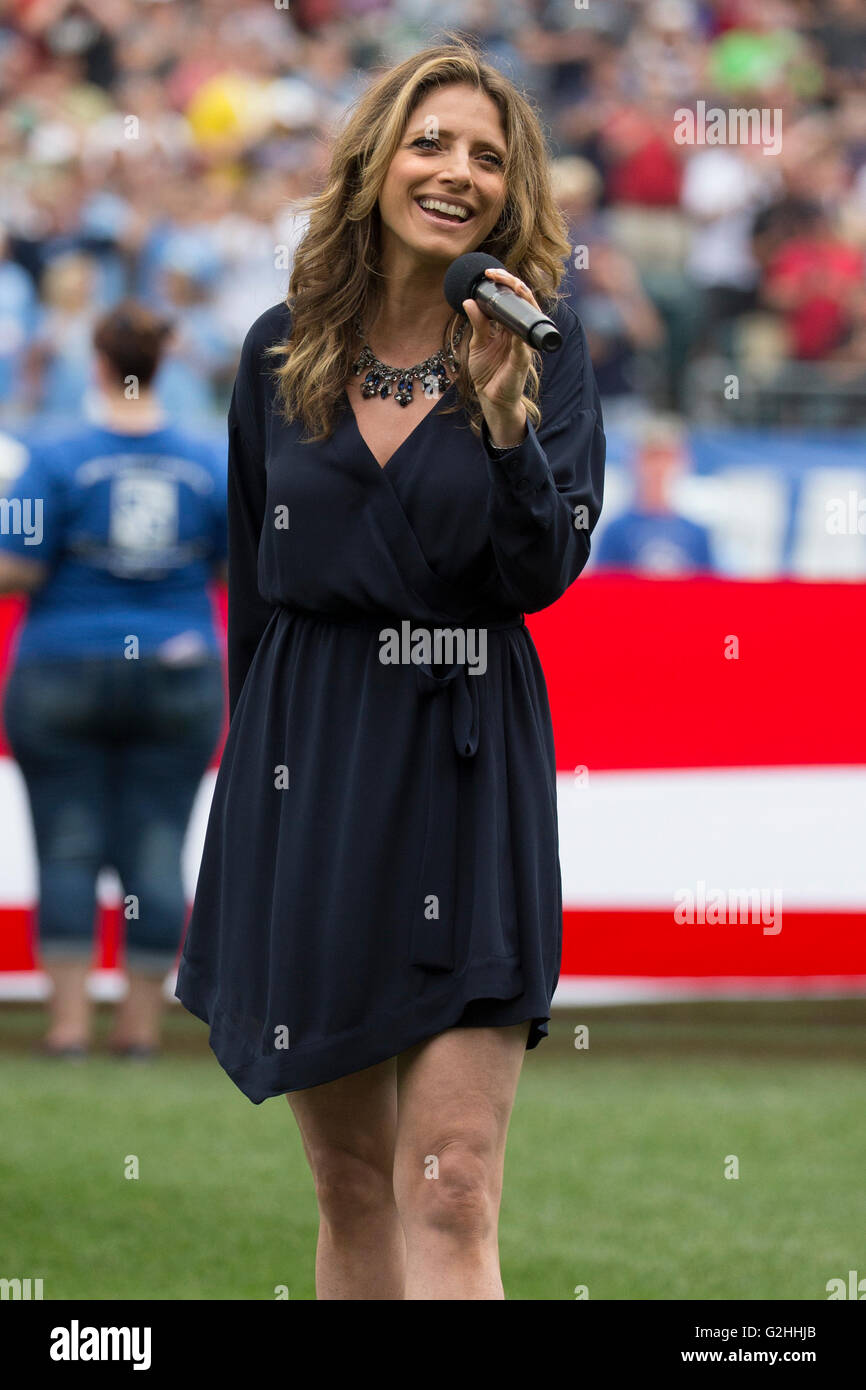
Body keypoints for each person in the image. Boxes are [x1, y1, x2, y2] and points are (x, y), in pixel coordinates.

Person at [175, 38, 605, 1300]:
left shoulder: (542, 349)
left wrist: (506, 416)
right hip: (308, 763)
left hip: (467, 758)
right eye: (429, 142)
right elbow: (255, 593)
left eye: (485, 154)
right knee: (352, 1185)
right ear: (373, 163)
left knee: (451, 1180)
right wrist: (253, 798)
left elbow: (543, 568)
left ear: (511, 191)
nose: (455, 171)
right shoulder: (275, 351)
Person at [0, 300, 227, 1058]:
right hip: (180, 666)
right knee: (158, 845)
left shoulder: (50, 457)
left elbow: (18, 564)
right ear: (163, 364)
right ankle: (138, 1029)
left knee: (65, 843)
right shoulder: (208, 460)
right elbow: (239, 565)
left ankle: (67, 1027)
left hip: (63, 664)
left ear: (96, 364)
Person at [594, 415, 713, 575]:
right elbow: (603, 590)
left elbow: (710, 591)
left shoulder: (698, 535)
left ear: (683, 461)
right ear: (635, 461)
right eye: (652, 456)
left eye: (667, 456)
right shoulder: (616, 531)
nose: (659, 467)